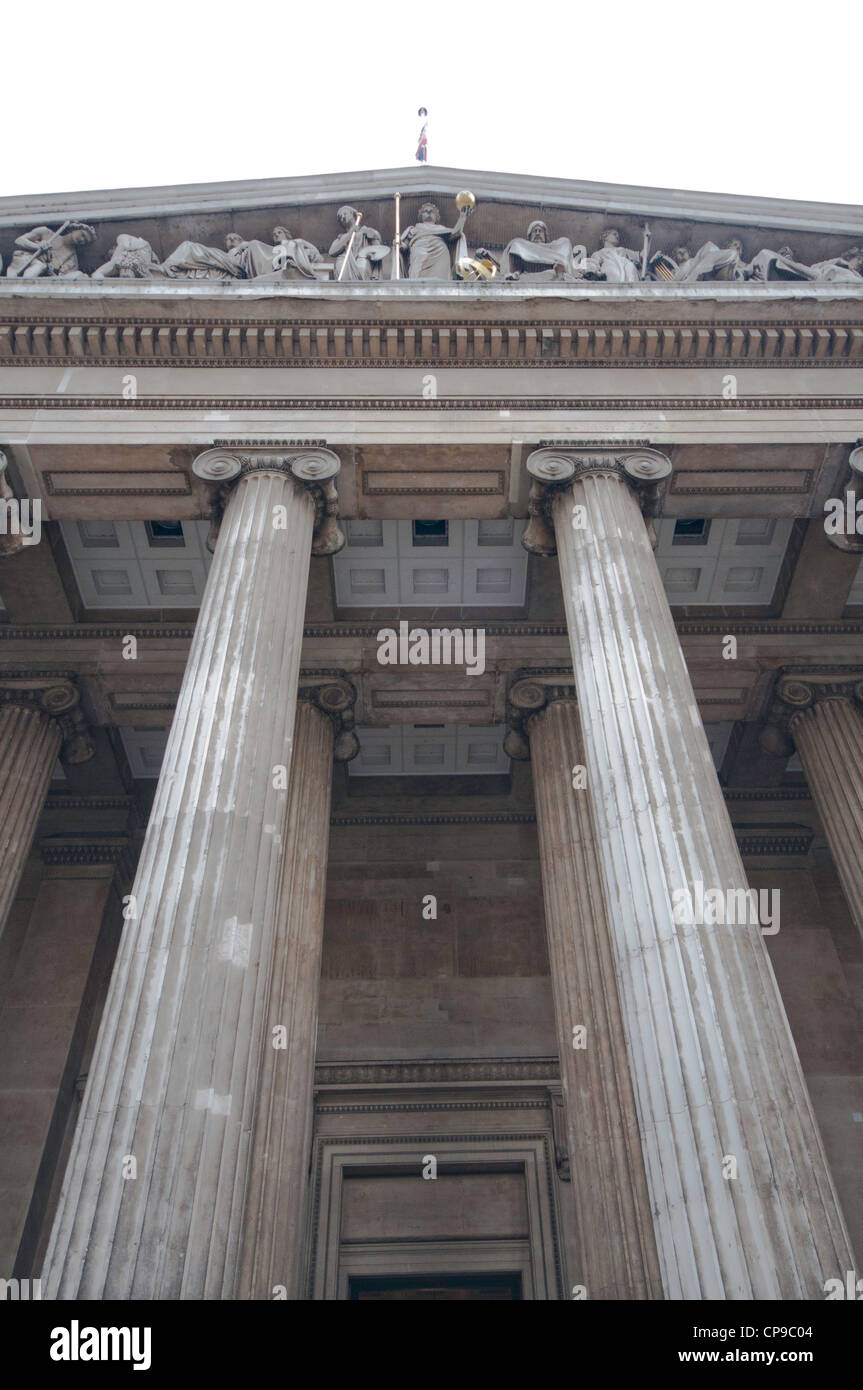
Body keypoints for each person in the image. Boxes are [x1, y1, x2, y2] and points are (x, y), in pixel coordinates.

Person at [400, 201, 470, 280]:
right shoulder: (414, 229)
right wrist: (399, 245)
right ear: (421, 216)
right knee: (417, 275)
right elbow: (405, 245)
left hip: (439, 251)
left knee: (440, 279)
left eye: (432, 211)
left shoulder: (441, 229)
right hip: (420, 251)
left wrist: (462, 217)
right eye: (425, 211)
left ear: (436, 217)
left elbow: (455, 234)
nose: (429, 212)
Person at [501, 220, 588, 281]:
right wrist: (516, 272)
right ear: (529, 237)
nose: (538, 233)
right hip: (530, 262)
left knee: (565, 241)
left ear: (546, 236)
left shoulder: (552, 246)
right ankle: (515, 274)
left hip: (553, 258)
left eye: (540, 231)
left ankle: (560, 268)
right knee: (515, 242)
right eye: (534, 231)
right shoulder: (525, 246)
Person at [6, 222, 96, 278]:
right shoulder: (46, 233)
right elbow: (19, 240)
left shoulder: (72, 259)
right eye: (83, 235)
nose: (82, 240)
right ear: (75, 229)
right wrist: (37, 246)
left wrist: (51, 271)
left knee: (40, 266)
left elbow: (60, 278)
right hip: (24, 261)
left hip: (38, 271)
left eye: (85, 241)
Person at [329, 206, 388, 281]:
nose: (343, 217)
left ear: (352, 214)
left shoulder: (365, 231)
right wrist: (350, 233)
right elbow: (332, 251)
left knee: (362, 266)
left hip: (361, 258)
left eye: (345, 214)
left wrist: (372, 253)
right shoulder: (341, 237)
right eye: (340, 217)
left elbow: (378, 249)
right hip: (345, 260)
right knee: (341, 266)